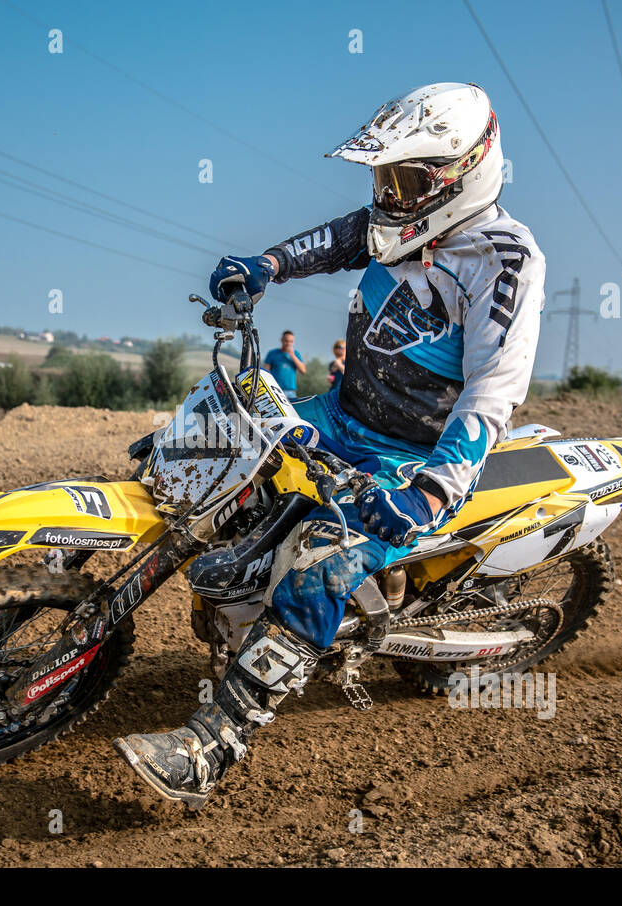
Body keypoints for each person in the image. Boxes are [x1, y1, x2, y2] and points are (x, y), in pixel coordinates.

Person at [115, 82, 546, 806]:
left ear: (462, 173)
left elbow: (492, 389)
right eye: (383, 176)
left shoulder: (505, 261)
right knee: (209, 439)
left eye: (405, 179)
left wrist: (432, 488)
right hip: (341, 412)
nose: (388, 194)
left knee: (320, 558)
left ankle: (214, 744)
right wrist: (265, 266)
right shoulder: (396, 220)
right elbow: (344, 237)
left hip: (408, 456)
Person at [262, 330, 306, 399]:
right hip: (275, 390)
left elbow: (303, 370)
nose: (288, 343)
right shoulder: (272, 353)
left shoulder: (296, 354)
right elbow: (264, 372)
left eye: (291, 341)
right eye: (286, 341)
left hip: (291, 392)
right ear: (281, 340)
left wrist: (292, 355)